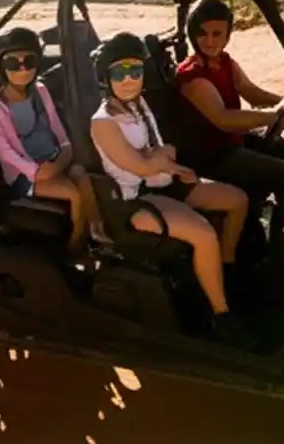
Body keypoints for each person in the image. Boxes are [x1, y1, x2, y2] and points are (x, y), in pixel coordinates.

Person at [89, 32, 256, 349]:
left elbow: (163, 151)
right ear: (105, 77)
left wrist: (166, 161)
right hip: (136, 203)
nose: (129, 79)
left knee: (237, 200)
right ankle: (219, 313)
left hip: (164, 184)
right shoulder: (104, 122)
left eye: (135, 71)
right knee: (204, 234)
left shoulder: (138, 105)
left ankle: (225, 269)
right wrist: (160, 159)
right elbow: (141, 167)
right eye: (119, 72)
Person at [174, 0, 284, 206]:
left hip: (233, 142)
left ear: (227, 36)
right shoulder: (192, 75)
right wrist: (275, 115)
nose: (210, 41)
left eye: (217, 34)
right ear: (193, 35)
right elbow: (223, 119)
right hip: (212, 158)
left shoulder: (224, 62)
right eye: (202, 34)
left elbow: (251, 93)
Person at [0, 27, 97, 253]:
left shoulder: (41, 91)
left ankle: (97, 232)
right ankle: (75, 246)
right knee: (74, 193)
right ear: (0, 67)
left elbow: (59, 131)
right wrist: (36, 172)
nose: (23, 69)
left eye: (29, 61)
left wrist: (64, 153)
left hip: (53, 162)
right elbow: (7, 154)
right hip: (25, 177)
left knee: (85, 176)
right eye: (13, 64)